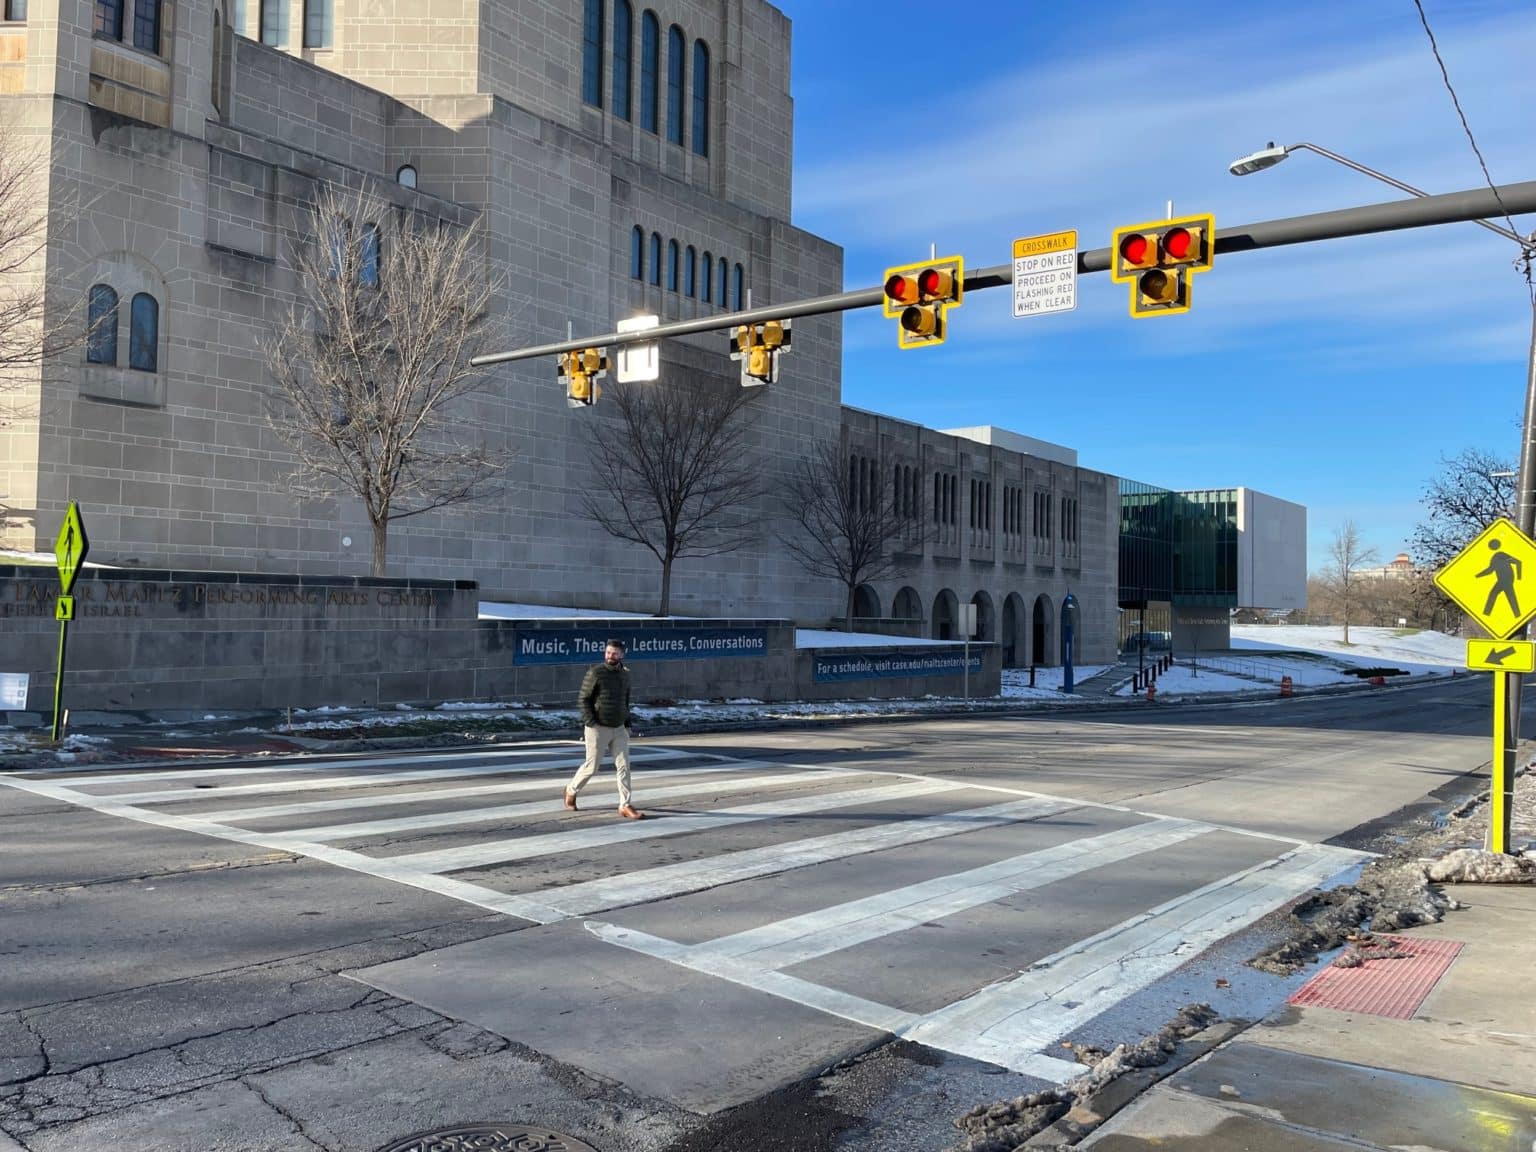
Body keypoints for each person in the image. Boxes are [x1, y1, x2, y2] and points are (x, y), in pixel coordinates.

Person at [564, 639, 643, 819]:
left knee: (624, 766)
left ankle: (625, 804)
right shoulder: (596, 672)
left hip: (619, 727)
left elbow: (625, 701)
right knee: (592, 767)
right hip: (598, 727)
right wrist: (591, 721)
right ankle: (571, 789)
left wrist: (627, 723)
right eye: (608, 652)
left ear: (622, 655)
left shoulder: (625, 674)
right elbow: (584, 699)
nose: (610, 656)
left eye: (614, 653)